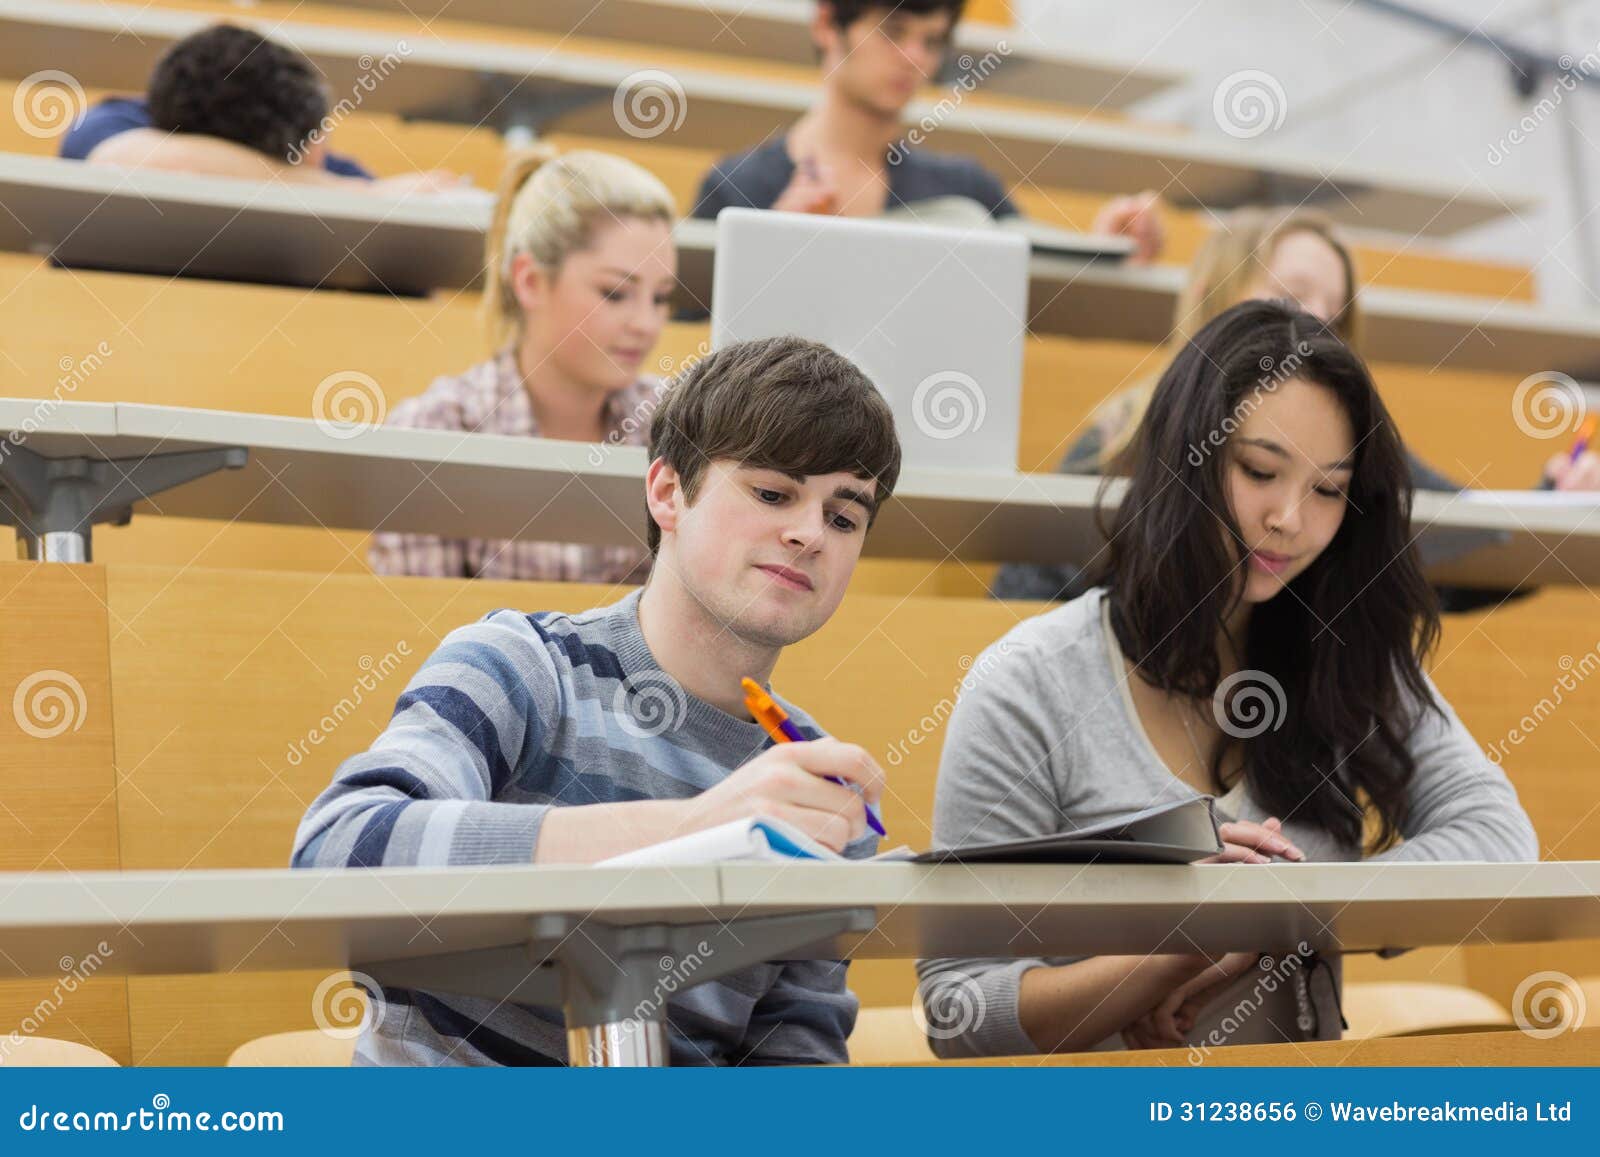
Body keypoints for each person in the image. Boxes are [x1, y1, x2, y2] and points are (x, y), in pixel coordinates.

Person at [917, 300, 1538, 1058]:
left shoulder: (1348, 654)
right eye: (1260, 471)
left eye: (1329, 489)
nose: (1289, 518)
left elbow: (1499, 839)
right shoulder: (1031, 680)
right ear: (1186, 455)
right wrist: (1159, 959)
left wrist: (1269, 913)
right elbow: (957, 1010)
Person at [293, 334, 903, 1066]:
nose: (810, 533)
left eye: (845, 517)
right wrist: (696, 828)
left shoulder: (817, 791)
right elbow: (337, 854)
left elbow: (795, 1062)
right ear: (668, 492)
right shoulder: (519, 664)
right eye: (773, 493)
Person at [992, 206, 1600, 608]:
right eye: (1290, 298)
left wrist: (1554, 498)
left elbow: (1459, 544)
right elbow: (1022, 610)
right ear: (1211, 297)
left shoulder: (1347, 443)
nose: (1314, 326)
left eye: (1334, 316)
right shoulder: (1121, 437)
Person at [367, 147, 678, 582]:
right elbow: (419, 632)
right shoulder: (434, 429)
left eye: (661, 297)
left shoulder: (678, 427)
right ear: (530, 281)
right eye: (615, 293)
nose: (646, 323)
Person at [690, 1, 1163, 261]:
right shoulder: (737, 186)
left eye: (933, 40)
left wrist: (1108, 247)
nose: (917, 58)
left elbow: (1041, 283)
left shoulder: (966, 189)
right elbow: (693, 359)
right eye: (894, 32)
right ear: (827, 24)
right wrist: (770, 248)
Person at [60, 24, 460, 195]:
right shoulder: (117, 125)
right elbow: (119, 161)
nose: (324, 145)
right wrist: (352, 195)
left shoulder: (341, 173)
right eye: (316, 135)